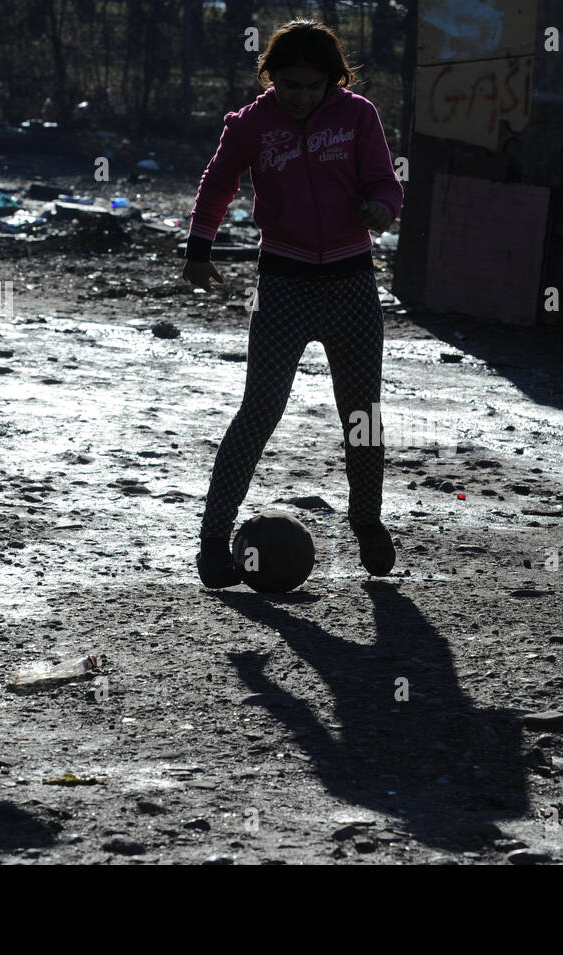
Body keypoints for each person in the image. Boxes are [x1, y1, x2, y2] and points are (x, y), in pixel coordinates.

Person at [183, 19, 404, 588]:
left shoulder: (359, 117)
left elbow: (386, 182)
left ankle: (368, 523)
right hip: (282, 284)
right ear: (270, 78)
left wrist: (382, 209)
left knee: (362, 415)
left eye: (313, 86)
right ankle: (212, 540)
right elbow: (217, 182)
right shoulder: (253, 124)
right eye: (289, 85)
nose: (301, 97)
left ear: (334, 80)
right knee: (259, 410)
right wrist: (198, 248)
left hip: (352, 285)